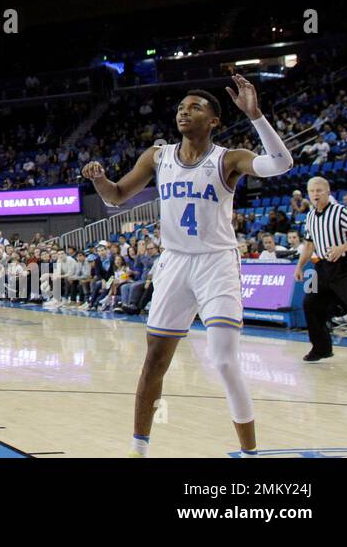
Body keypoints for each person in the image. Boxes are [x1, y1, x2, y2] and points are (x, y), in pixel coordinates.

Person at [82, 78, 291, 457]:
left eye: (195, 107)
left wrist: (256, 115)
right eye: (181, 106)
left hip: (217, 263)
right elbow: (115, 197)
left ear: (213, 121)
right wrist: (99, 180)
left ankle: (249, 454)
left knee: (225, 361)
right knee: (154, 361)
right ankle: (138, 449)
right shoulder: (158, 156)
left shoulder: (229, 158)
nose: (184, 111)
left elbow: (281, 164)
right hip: (175, 262)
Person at [296, 176, 347, 362]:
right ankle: (321, 348)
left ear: (327, 192)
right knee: (311, 304)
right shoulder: (309, 216)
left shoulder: (342, 212)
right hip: (323, 268)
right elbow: (309, 245)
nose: (315, 194)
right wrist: (300, 266)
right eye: (312, 191)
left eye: (319, 190)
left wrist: (343, 248)